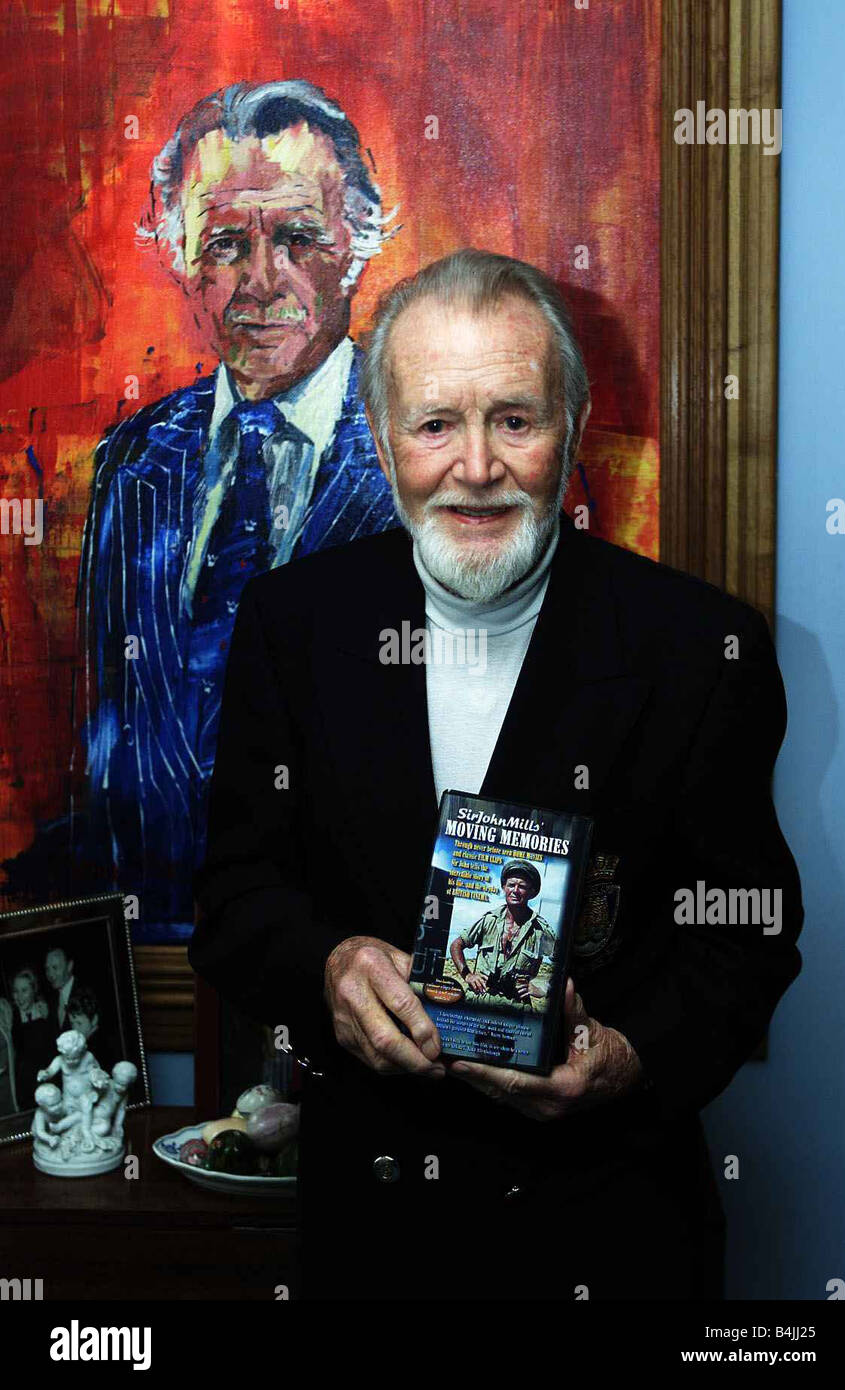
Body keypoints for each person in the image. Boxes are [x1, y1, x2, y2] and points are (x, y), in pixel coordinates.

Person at [189, 248, 804, 1301]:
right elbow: (236, 898)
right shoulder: (294, 627)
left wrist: (629, 1058)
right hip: (372, 1243)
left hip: (610, 1233)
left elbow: (744, 935)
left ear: (571, 425)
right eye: (434, 424)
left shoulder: (699, 647)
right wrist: (327, 966)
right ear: (381, 441)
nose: (475, 466)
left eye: (514, 419)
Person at [4, 79, 400, 936]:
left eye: (298, 237)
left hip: (348, 977)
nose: (262, 283)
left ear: (359, 242)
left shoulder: (424, 456)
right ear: (179, 256)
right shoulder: (134, 460)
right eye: (224, 245)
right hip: (157, 963)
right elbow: (111, 753)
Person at [451, 860, 556, 1005]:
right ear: (504, 887)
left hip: (516, 1007)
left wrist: (543, 988)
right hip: (479, 1000)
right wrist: (468, 975)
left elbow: (563, 964)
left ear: (532, 892)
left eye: (522, 887)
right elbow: (456, 944)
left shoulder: (540, 930)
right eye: (511, 885)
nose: (515, 890)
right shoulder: (489, 920)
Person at [11, 968, 54, 1111]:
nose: (19, 996)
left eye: (24, 990)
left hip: (46, 1083)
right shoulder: (12, 1018)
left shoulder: (46, 1014)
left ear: (34, 990)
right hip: (25, 1088)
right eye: (16, 991)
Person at [44, 947, 76, 1032]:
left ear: (69, 966)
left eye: (55, 967)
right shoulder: (49, 998)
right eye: (47, 969)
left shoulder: (85, 993)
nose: (50, 974)